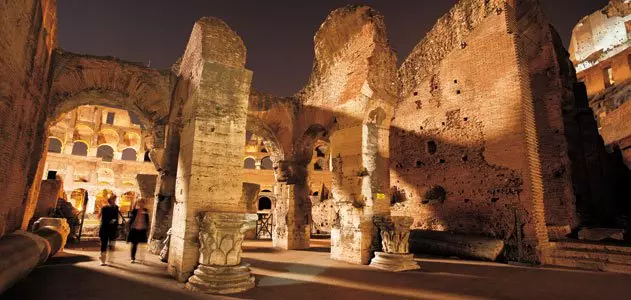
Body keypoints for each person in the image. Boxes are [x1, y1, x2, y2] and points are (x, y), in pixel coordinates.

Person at [127, 199, 150, 263]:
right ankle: (132, 258)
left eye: (142, 203)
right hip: (135, 229)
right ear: (138, 204)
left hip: (142, 229)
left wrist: (147, 228)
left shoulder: (145, 211)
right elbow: (131, 219)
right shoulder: (135, 211)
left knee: (142, 245)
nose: (141, 204)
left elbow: (147, 220)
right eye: (139, 203)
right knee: (134, 244)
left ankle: (142, 258)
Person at [99, 195, 119, 266]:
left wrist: (116, 225)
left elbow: (116, 218)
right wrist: (111, 221)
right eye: (113, 199)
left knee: (111, 244)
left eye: (115, 200)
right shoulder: (104, 208)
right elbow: (103, 219)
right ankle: (102, 260)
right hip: (104, 228)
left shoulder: (116, 208)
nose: (114, 201)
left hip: (112, 229)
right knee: (104, 244)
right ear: (110, 200)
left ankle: (110, 258)